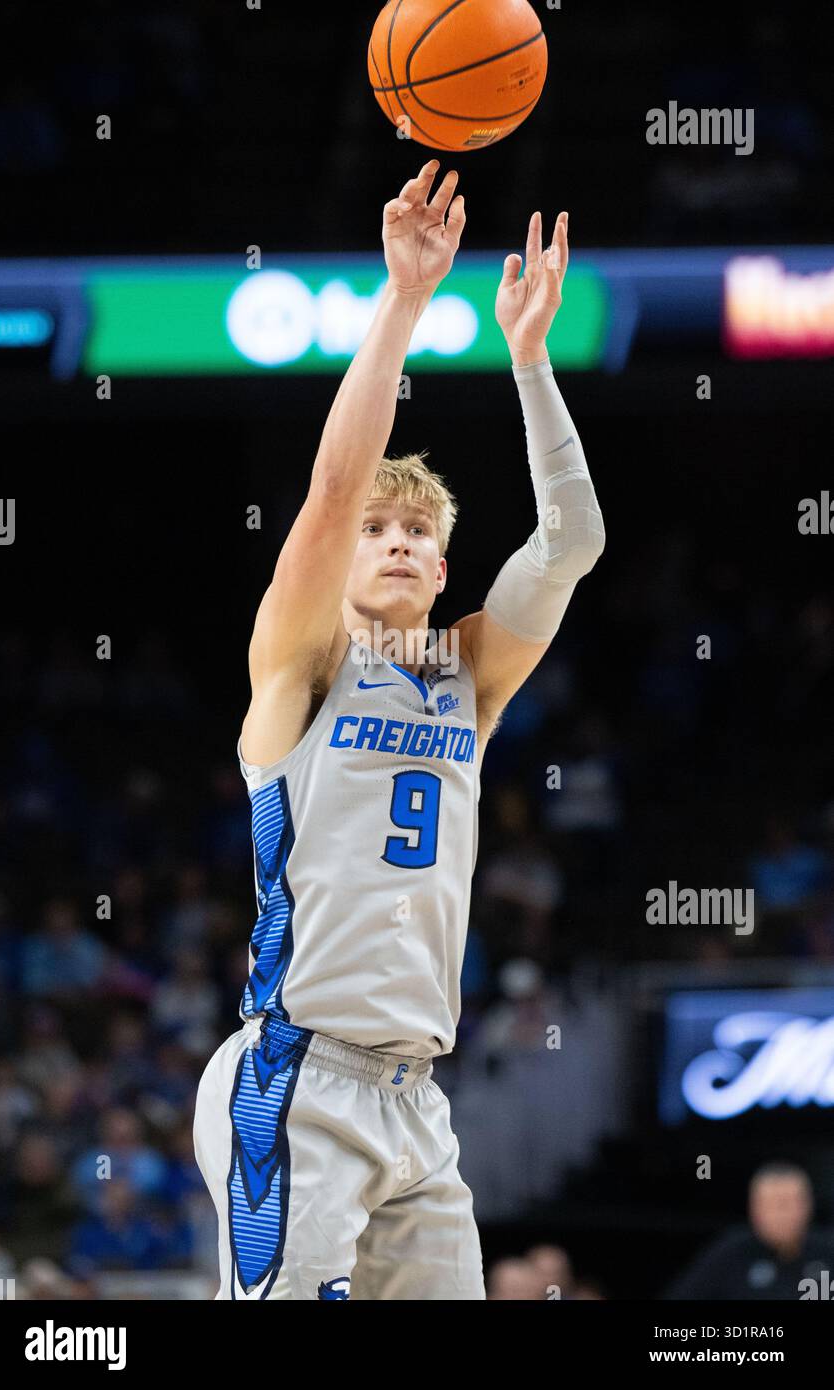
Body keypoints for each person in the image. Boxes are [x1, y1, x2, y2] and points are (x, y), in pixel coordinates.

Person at [193, 159, 605, 1300]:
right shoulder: (302, 664)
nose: (394, 540)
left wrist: (528, 358)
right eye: (379, 527)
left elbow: (569, 541)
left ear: (440, 563)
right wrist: (406, 303)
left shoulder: (466, 673)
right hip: (297, 1077)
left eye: (418, 529)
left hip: (417, 1098)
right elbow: (329, 492)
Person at [663, 1162, 834, 1299]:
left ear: (808, 1205)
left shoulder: (827, 1249)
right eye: (773, 1205)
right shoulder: (730, 1253)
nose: (782, 1215)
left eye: (789, 1204)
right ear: (754, 1209)